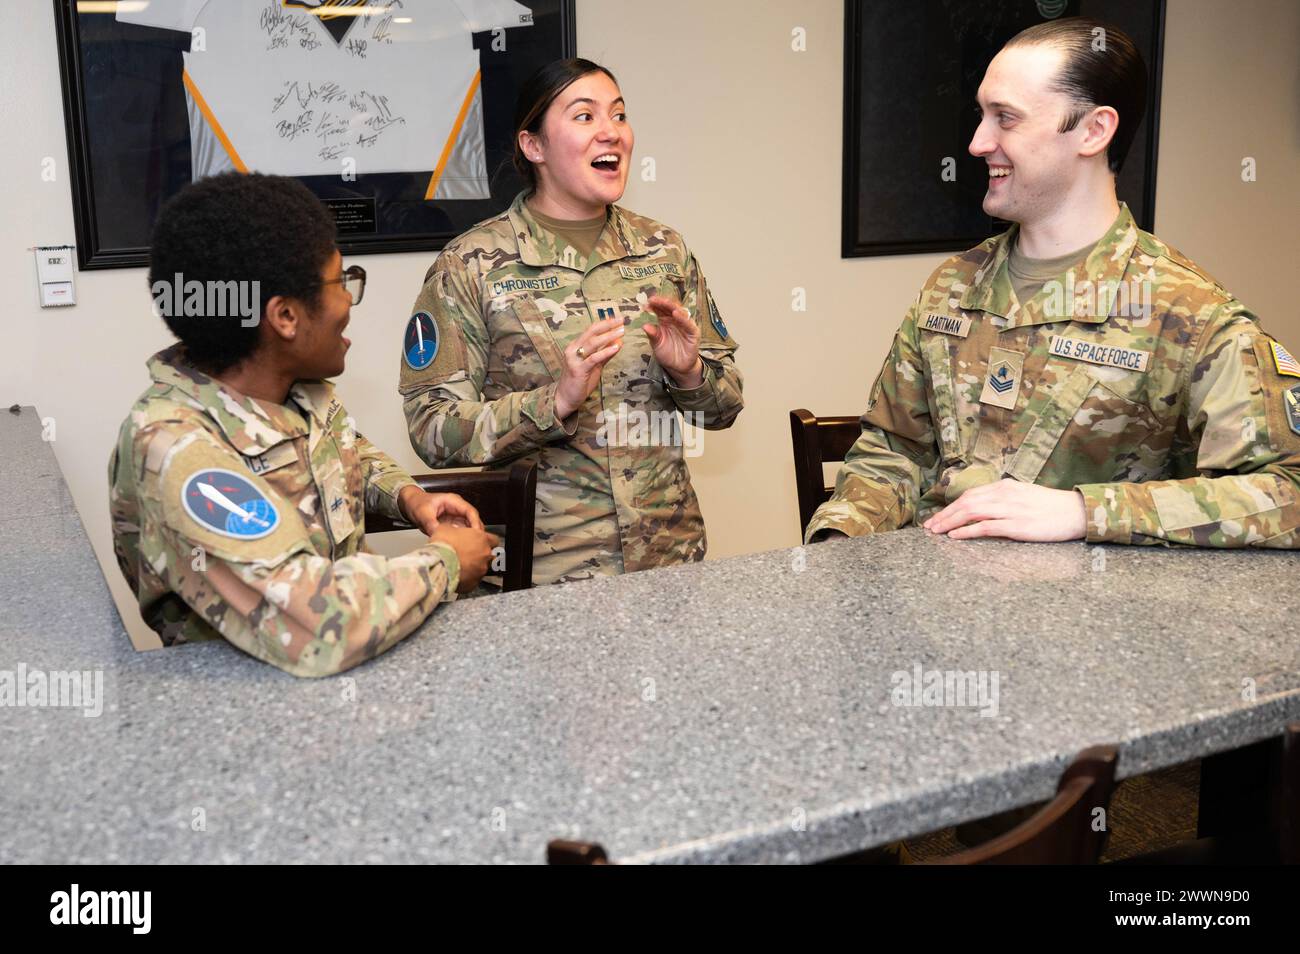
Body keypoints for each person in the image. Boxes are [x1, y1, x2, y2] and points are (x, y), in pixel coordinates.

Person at [807, 17, 1299, 549]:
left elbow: (1290, 490)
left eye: (1006, 119)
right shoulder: (953, 284)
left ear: (1093, 131)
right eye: (982, 115)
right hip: (938, 602)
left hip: (1092, 617)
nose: (977, 142)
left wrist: (1083, 512)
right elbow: (894, 450)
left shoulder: (1186, 312)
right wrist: (840, 548)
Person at [109, 172, 497, 677]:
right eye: (340, 281)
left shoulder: (290, 389)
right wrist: (446, 562)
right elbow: (317, 628)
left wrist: (408, 497)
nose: (348, 303)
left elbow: (339, 448)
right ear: (286, 316)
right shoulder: (176, 450)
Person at [400, 58, 744, 585]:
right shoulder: (469, 264)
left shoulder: (664, 251)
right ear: (533, 146)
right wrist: (553, 403)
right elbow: (431, 427)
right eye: (584, 116)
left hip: (669, 563)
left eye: (619, 114)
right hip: (542, 574)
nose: (611, 132)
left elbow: (725, 409)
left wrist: (691, 373)